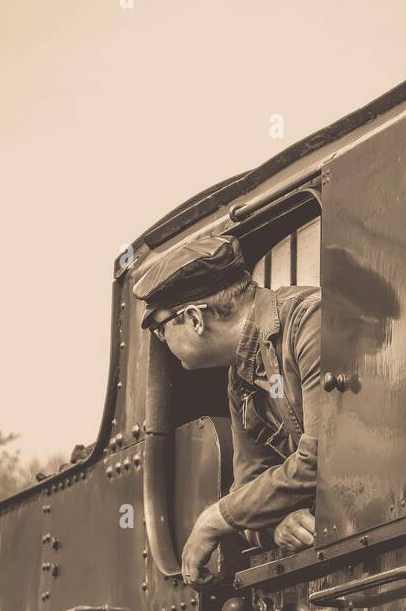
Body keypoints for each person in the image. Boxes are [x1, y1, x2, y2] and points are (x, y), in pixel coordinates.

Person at [132, 233, 320, 585]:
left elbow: (323, 457)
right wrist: (276, 523)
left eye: (160, 330)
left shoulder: (311, 323)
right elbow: (246, 489)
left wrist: (214, 518)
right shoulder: (241, 379)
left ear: (194, 319)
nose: (162, 342)